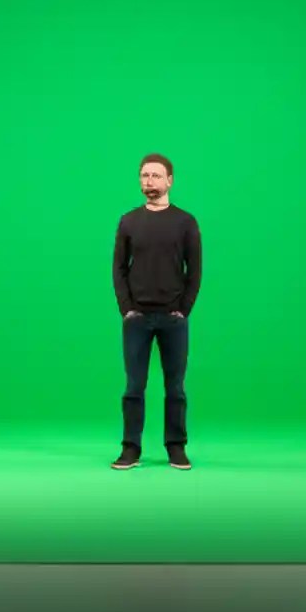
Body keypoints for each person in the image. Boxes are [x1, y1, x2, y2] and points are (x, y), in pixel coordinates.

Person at [110, 153, 201, 470]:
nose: (149, 181)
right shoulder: (129, 221)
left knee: (175, 387)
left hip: (174, 319)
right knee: (134, 387)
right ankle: (130, 448)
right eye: (144, 175)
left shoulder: (186, 222)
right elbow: (118, 268)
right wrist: (126, 309)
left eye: (156, 176)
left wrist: (184, 309)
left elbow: (195, 271)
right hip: (136, 319)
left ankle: (176, 446)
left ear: (170, 180)